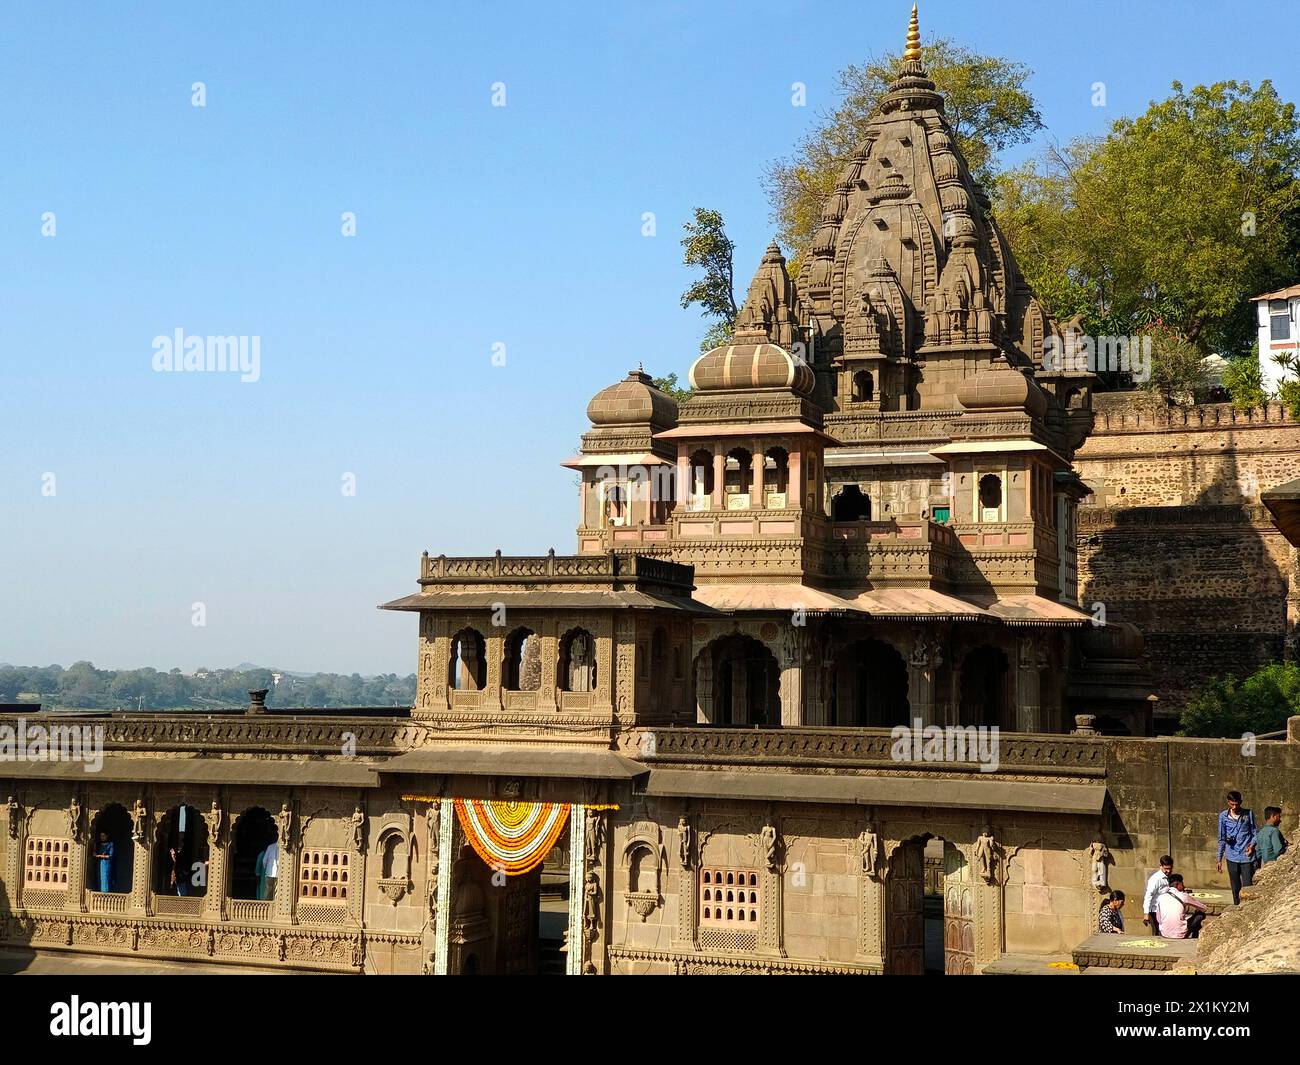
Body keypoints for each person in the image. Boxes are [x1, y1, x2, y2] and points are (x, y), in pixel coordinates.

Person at [1217, 790, 1257, 905]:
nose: (1235, 807)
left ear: (1241, 802)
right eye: (1232, 804)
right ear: (1228, 802)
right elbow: (1221, 838)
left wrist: (1252, 845)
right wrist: (1219, 859)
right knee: (1235, 887)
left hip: (1246, 856)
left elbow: (1255, 833)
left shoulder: (1248, 814)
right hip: (1231, 856)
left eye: (1237, 804)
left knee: (1248, 886)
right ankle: (1236, 907)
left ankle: (1248, 907)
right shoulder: (1223, 816)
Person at [1156, 873, 1208, 939]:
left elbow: (1159, 919)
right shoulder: (1184, 896)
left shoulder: (1161, 897)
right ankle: (1195, 937)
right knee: (1200, 915)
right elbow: (1204, 908)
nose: (1183, 886)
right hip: (1180, 934)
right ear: (1177, 884)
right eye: (1182, 884)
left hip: (1165, 933)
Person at [1141, 855, 1173, 936]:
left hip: (1164, 909)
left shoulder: (1168, 877)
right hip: (1155, 910)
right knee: (1158, 931)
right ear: (1160, 866)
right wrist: (1146, 913)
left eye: (1170, 868)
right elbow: (1148, 895)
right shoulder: (1155, 879)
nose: (1168, 871)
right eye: (1166, 869)